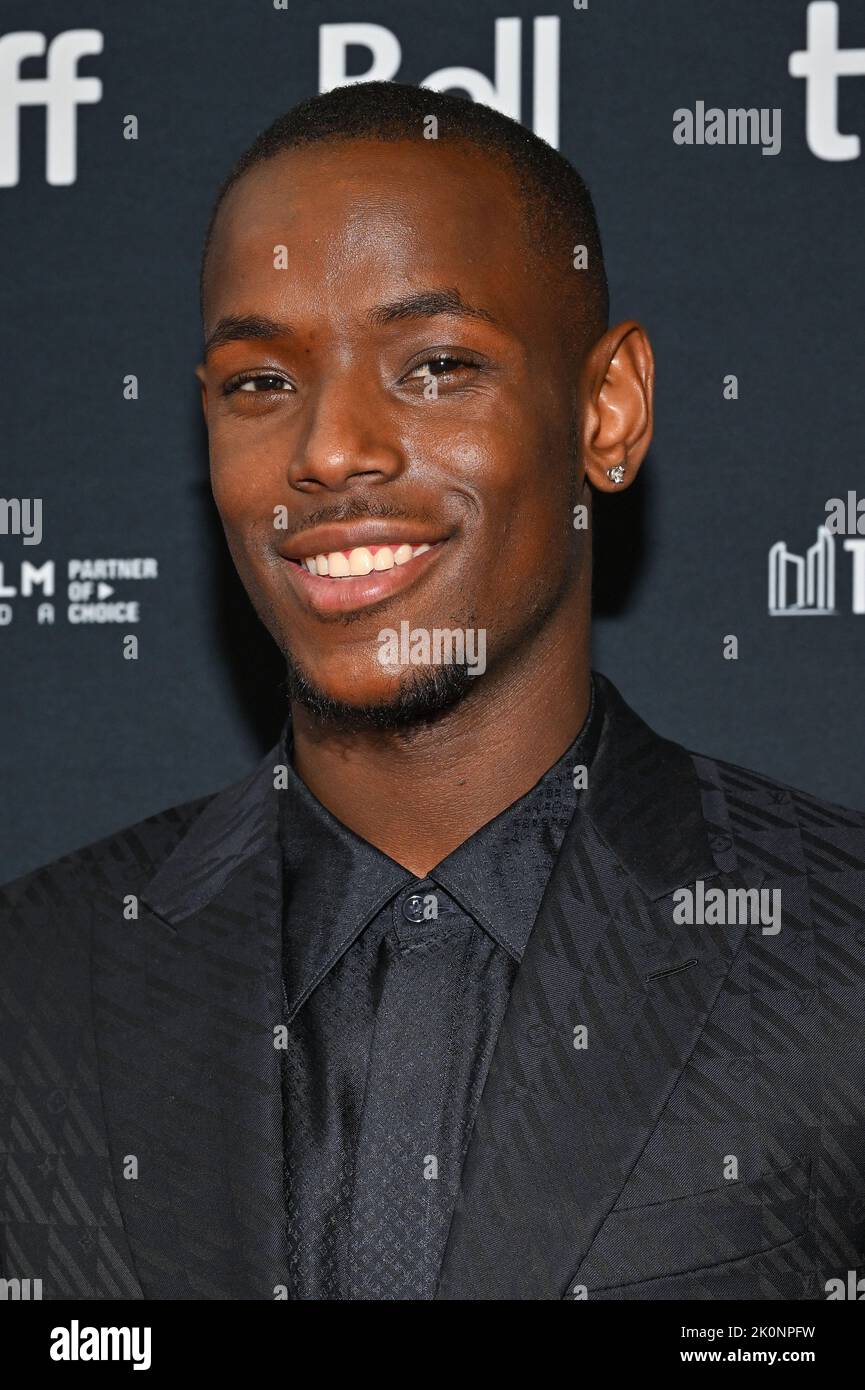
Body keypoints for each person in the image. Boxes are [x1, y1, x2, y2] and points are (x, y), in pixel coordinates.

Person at [2, 82, 863, 1302]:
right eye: (260, 382)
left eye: (435, 364)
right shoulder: (33, 982)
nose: (330, 447)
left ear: (606, 411)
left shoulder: (835, 960)